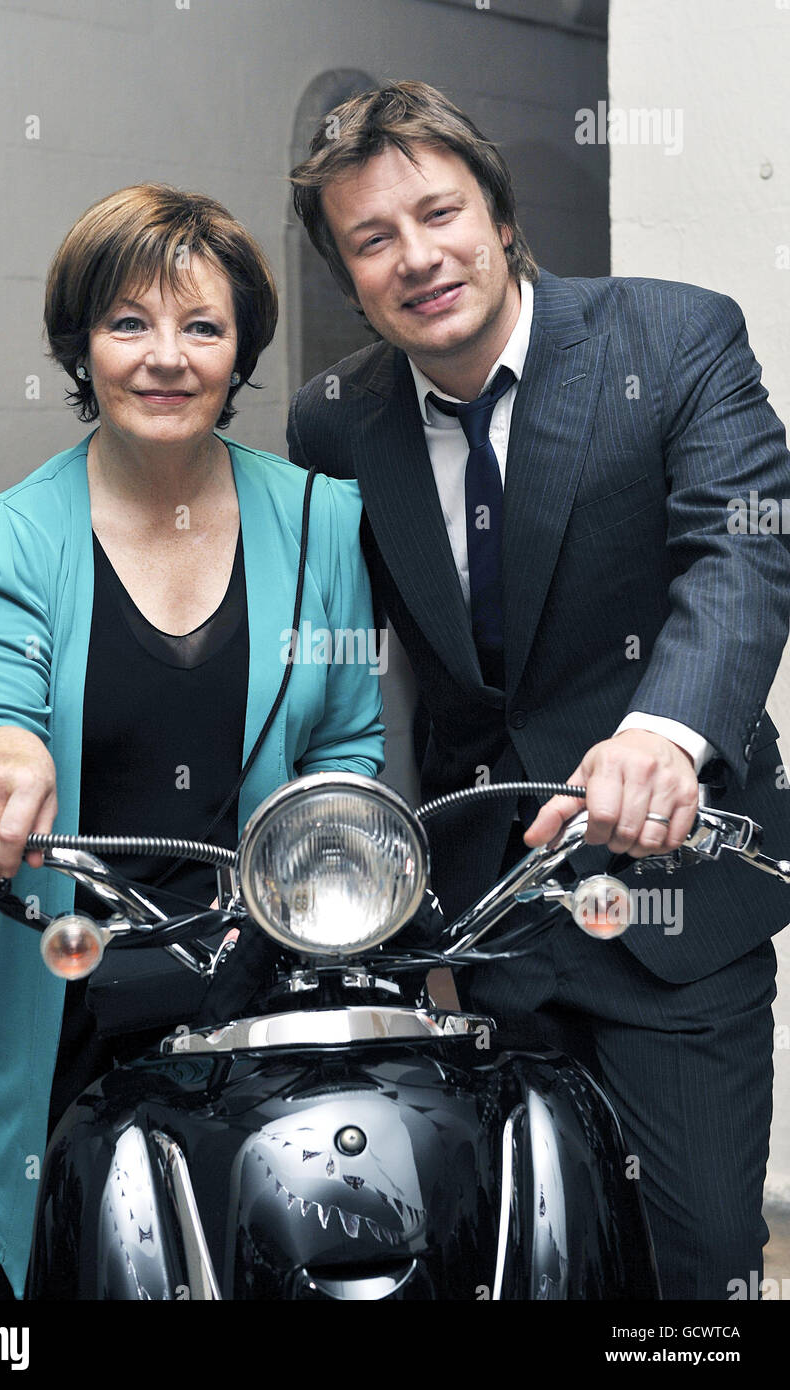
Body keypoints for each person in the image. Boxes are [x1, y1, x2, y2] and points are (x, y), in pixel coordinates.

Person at [287, 81, 790, 1300]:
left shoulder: (673, 335)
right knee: (522, 1255)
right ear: (348, 279)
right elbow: (337, 652)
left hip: (673, 903)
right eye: (372, 239)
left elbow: (741, 550)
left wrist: (664, 733)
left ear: (500, 217)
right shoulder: (335, 422)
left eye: (439, 213)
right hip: (485, 922)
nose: (417, 257)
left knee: (698, 1263)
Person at [0, 184, 384, 1299]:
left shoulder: (324, 519)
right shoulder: (12, 534)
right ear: (81, 344)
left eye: (202, 326)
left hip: (243, 985)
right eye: (128, 323)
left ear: (240, 350)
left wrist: (314, 891)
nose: (166, 357)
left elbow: (347, 748)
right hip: (46, 998)